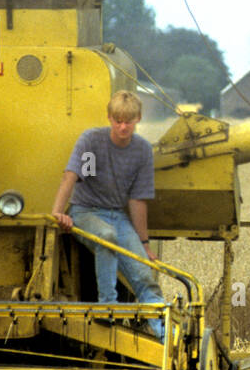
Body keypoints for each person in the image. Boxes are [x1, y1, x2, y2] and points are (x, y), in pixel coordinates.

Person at [51, 91, 165, 338]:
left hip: (117, 216)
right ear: (109, 118)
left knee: (144, 274)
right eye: (117, 120)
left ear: (138, 119)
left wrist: (144, 243)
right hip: (85, 211)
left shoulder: (142, 150)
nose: (122, 126)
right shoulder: (92, 141)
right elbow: (73, 176)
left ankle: (165, 336)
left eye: (128, 121)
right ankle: (107, 307)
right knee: (106, 235)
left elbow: (137, 199)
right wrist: (57, 214)